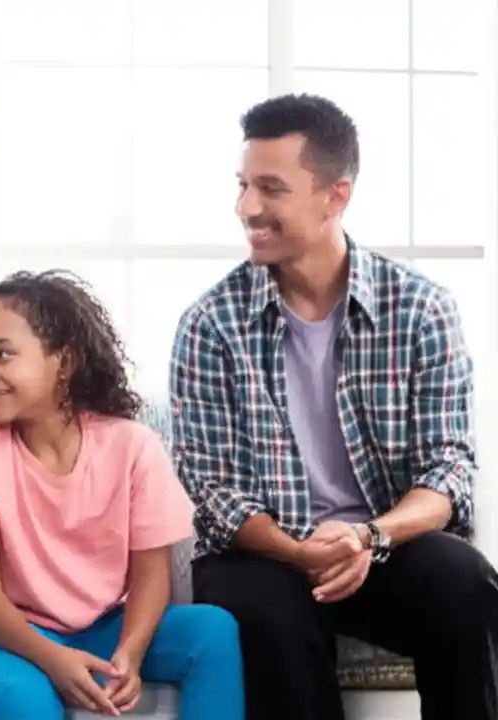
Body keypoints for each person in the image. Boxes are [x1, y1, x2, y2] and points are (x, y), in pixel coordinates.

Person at [169, 93, 498, 720]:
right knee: (268, 614)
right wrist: (297, 552)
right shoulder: (210, 323)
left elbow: (448, 470)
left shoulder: (422, 310)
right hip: (263, 552)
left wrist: (367, 536)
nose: (247, 207)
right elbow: (211, 488)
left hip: (383, 545)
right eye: (242, 185)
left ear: (335, 195)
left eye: (270, 188)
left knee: (462, 581)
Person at [0, 270, 244, 720]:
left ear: (65, 361)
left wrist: (131, 652)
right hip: (6, 636)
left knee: (213, 631)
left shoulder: (133, 447)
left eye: (3, 354)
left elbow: (150, 575)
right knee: (25, 697)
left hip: (105, 627)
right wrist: (55, 661)